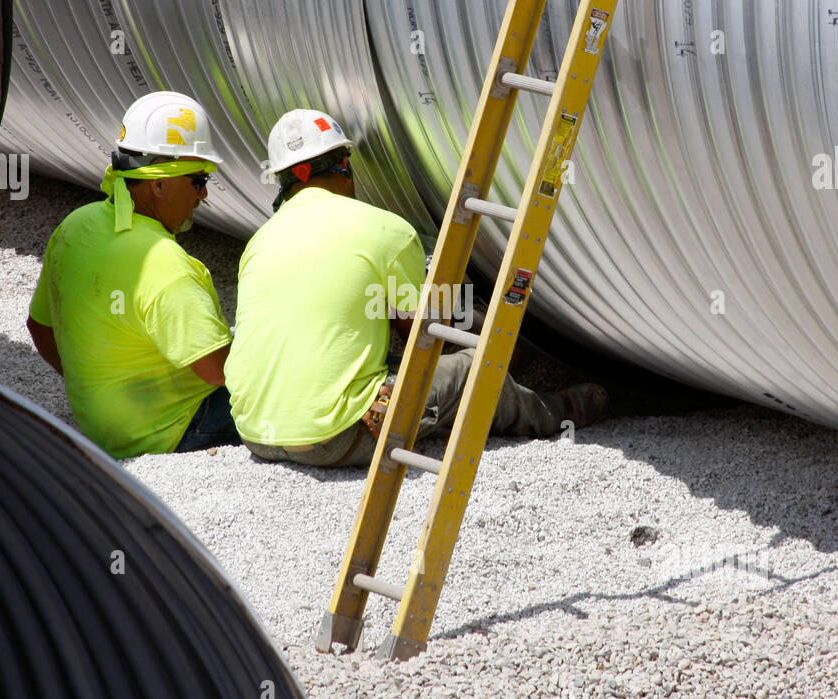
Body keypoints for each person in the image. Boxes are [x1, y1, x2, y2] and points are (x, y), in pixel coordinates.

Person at [223, 108, 607, 468]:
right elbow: (424, 342)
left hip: (255, 433)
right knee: (472, 369)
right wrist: (474, 319)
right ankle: (555, 411)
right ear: (343, 166)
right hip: (332, 439)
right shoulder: (385, 229)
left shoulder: (258, 242)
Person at [26, 90, 238, 458]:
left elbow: (39, 328)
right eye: (198, 180)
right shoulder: (165, 263)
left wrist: (97, 389)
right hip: (176, 429)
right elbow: (219, 371)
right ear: (158, 184)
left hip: (103, 429)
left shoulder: (75, 226)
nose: (203, 196)